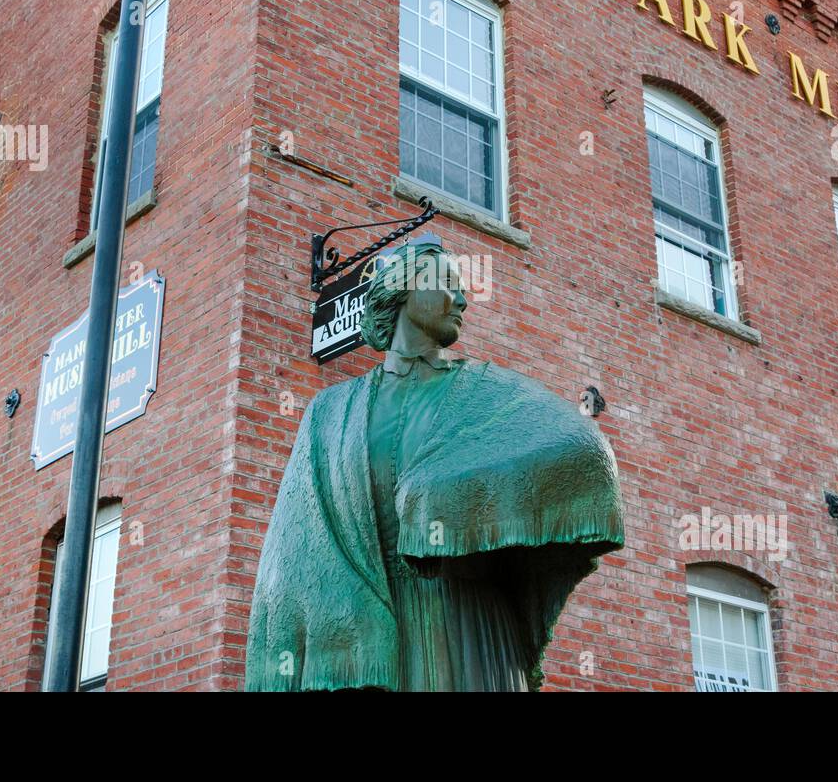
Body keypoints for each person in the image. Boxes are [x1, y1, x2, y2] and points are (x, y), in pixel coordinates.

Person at [245, 242, 624, 691]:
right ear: (402, 290)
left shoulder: (490, 392)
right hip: (367, 635)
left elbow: (584, 450)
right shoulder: (329, 410)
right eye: (446, 285)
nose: (461, 300)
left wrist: (450, 492)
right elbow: (292, 549)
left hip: (466, 625)